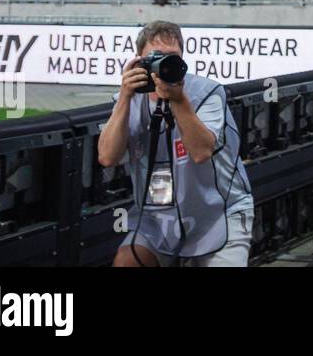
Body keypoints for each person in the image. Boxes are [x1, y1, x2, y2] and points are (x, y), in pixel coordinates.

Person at [98, 20, 254, 267]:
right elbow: (107, 157)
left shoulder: (208, 93)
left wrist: (178, 100)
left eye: (172, 58)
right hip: (157, 217)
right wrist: (125, 97)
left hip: (218, 212)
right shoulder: (128, 99)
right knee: (127, 261)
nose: (163, 66)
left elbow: (201, 152)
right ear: (138, 60)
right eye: (155, 58)